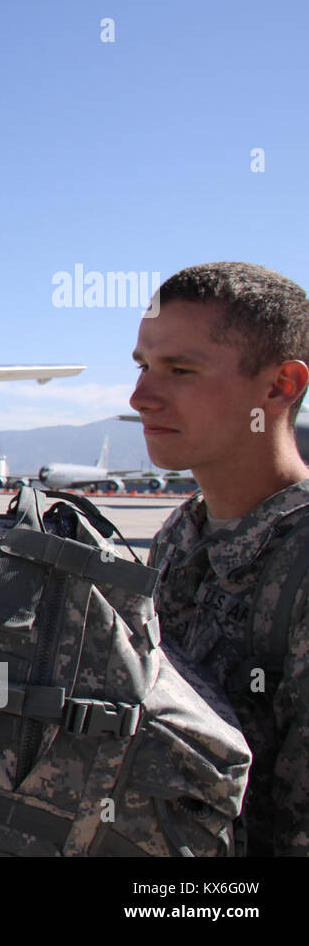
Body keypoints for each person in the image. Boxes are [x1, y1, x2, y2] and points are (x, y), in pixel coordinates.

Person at [132, 262, 309, 856]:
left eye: (180, 370)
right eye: (143, 366)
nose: (140, 398)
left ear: (279, 386)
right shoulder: (179, 537)